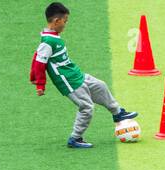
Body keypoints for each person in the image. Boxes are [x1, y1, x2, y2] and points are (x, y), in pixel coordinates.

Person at [31, 3, 138, 149]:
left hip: (76, 74)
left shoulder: (53, 37)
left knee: (100, 85)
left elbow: (37, 58)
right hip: (68, 81)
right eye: (65, 21)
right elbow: (38, 63)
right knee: (86, 107)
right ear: (57, 21)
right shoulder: (48, 42)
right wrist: (39, 84)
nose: (66, 24)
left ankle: (117, 113)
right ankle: (75, 138)